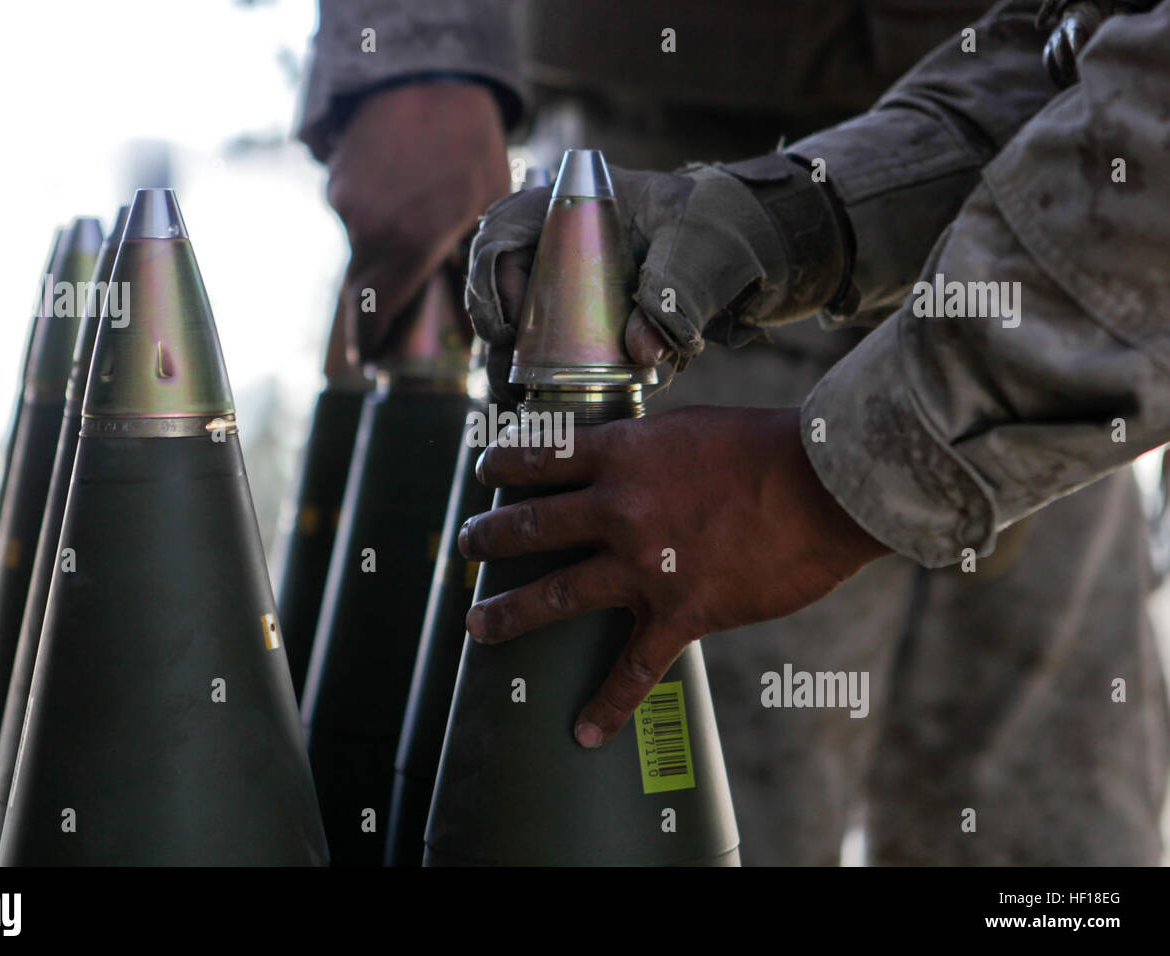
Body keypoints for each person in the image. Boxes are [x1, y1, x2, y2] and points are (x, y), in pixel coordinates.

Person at [296, 0, 1169, 864]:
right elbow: (1095, 42)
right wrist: (792, 217)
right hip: (726, 226)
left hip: (1080, 252)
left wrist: (819, 480)